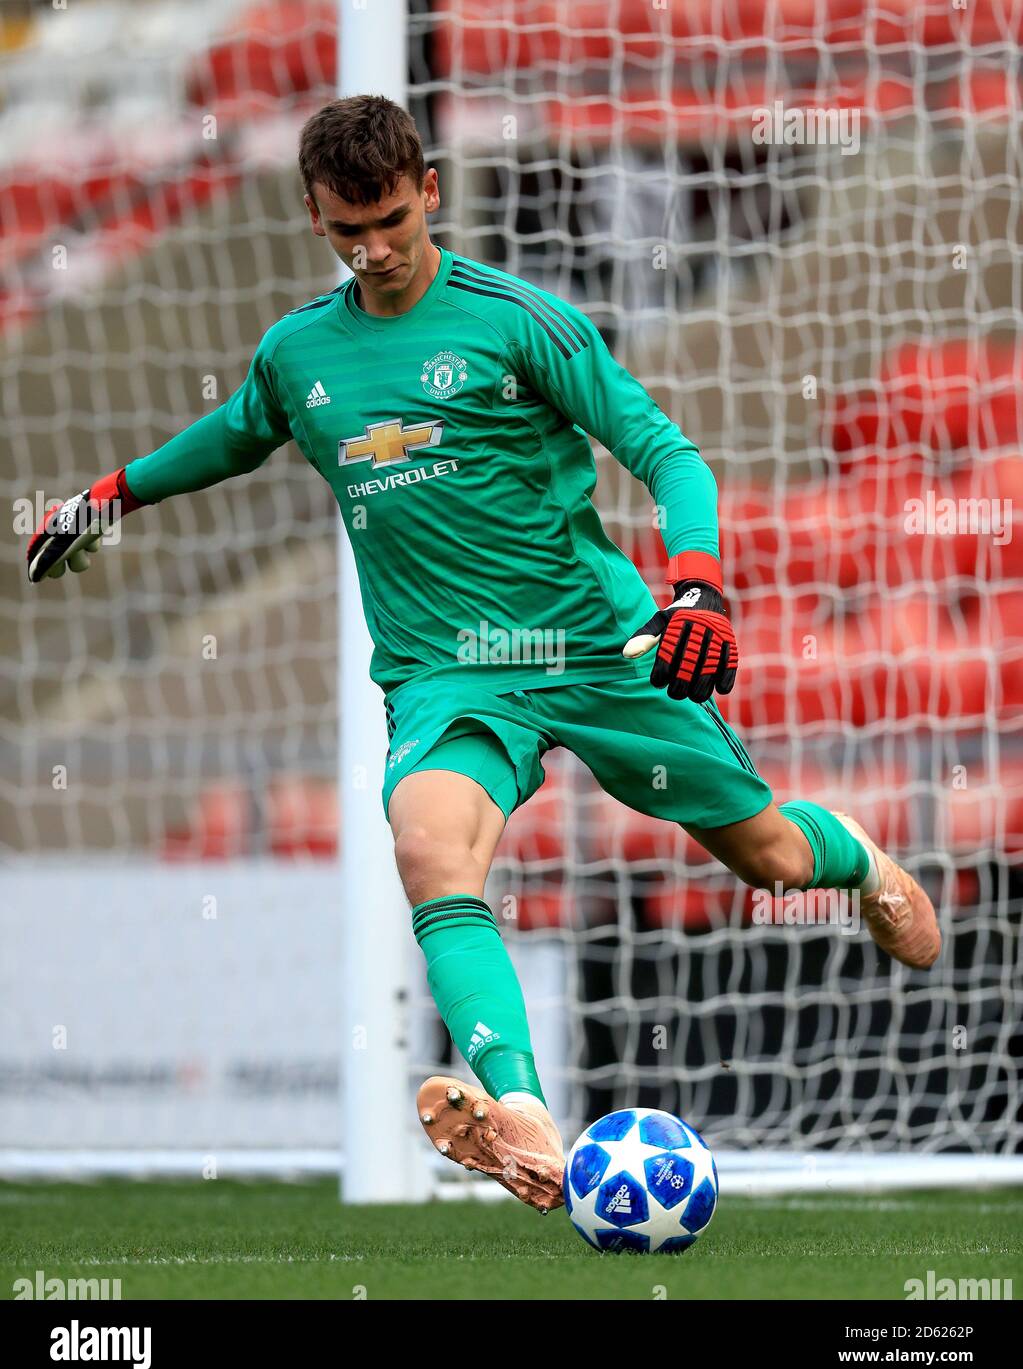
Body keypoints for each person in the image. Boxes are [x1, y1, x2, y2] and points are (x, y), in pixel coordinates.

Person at [27, 94, 940, 1215]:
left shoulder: (520, 321)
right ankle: (527, 1116)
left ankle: (858, 857)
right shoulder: (298, 352)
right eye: (347, 231)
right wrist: (112, 493)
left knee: (769, 861)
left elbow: (665, 449)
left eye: (393, 222)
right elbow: (233, 435)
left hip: (595, 642)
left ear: (432, 194)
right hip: (449, 674)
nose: (375, 250)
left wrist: (696, 582)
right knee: (430, 847)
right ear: (314, 217)